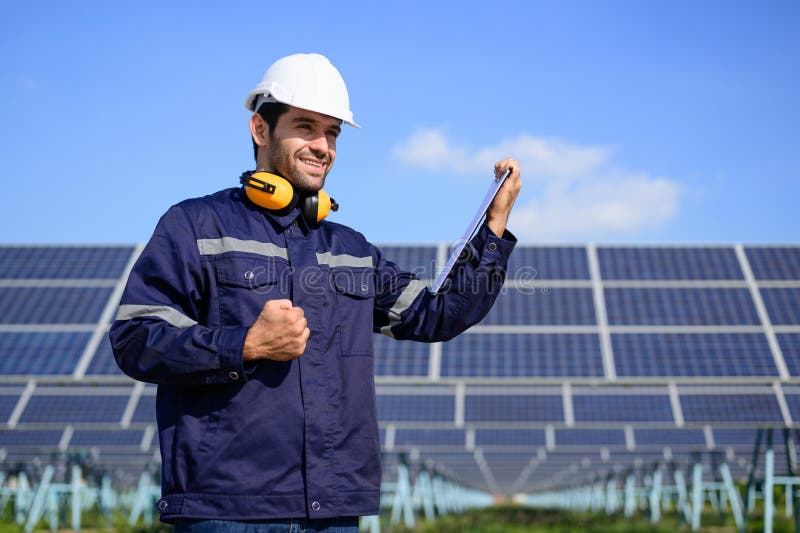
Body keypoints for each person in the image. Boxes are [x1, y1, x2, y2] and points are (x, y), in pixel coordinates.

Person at [109, 53, 521, 533]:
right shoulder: (196, 226)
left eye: (333, 133)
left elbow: (438, 314)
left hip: (335, 512)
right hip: (229, 512)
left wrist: (493, 228)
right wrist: (244, 345)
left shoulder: (350, 250)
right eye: (306, 127)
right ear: (260, 130)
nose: (322, 146)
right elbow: (136, 337)